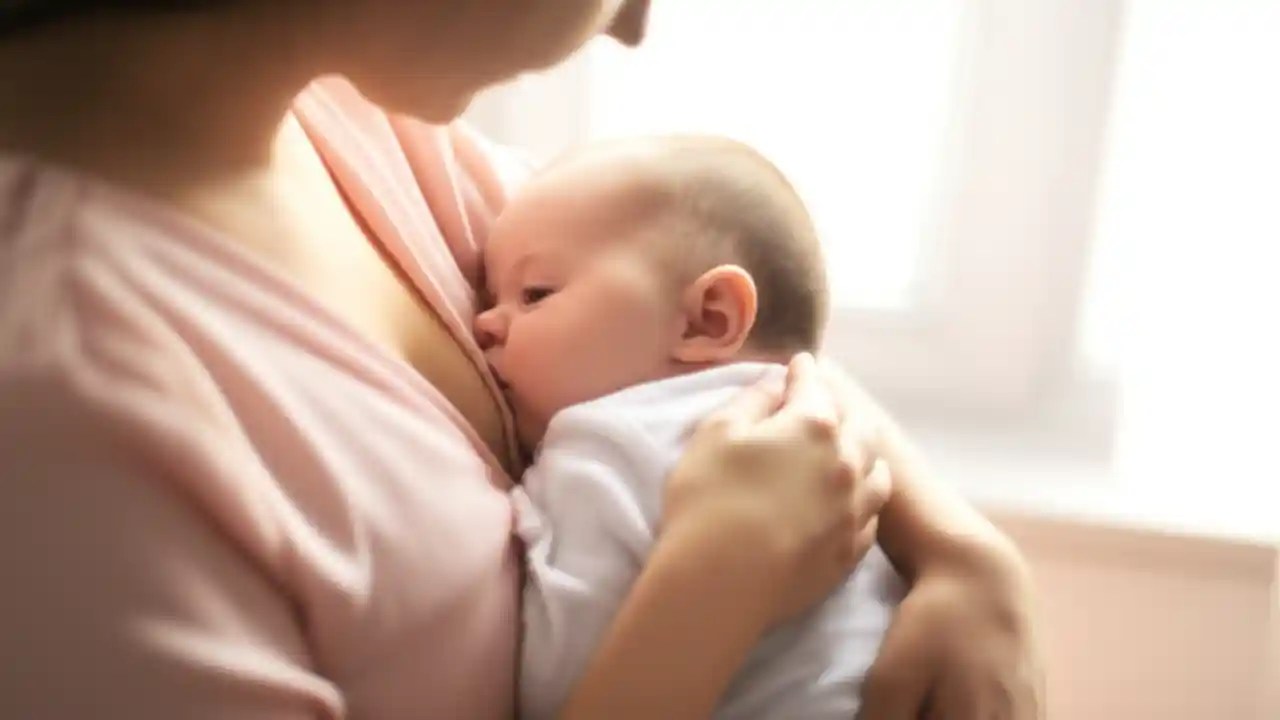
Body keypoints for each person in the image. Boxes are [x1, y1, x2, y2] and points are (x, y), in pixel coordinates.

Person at [0, 2, 1042, 719]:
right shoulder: (65, 407)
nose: (632, 22)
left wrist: (961, 552)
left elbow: (712, 342)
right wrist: (714, 580)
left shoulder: (368, 132)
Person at [484, 135, 904, 719]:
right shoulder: (832, 428)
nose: (484, 323)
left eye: (535, 293)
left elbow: (555, 689)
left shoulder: (611, 444)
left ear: (708, 318)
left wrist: (525, 515)